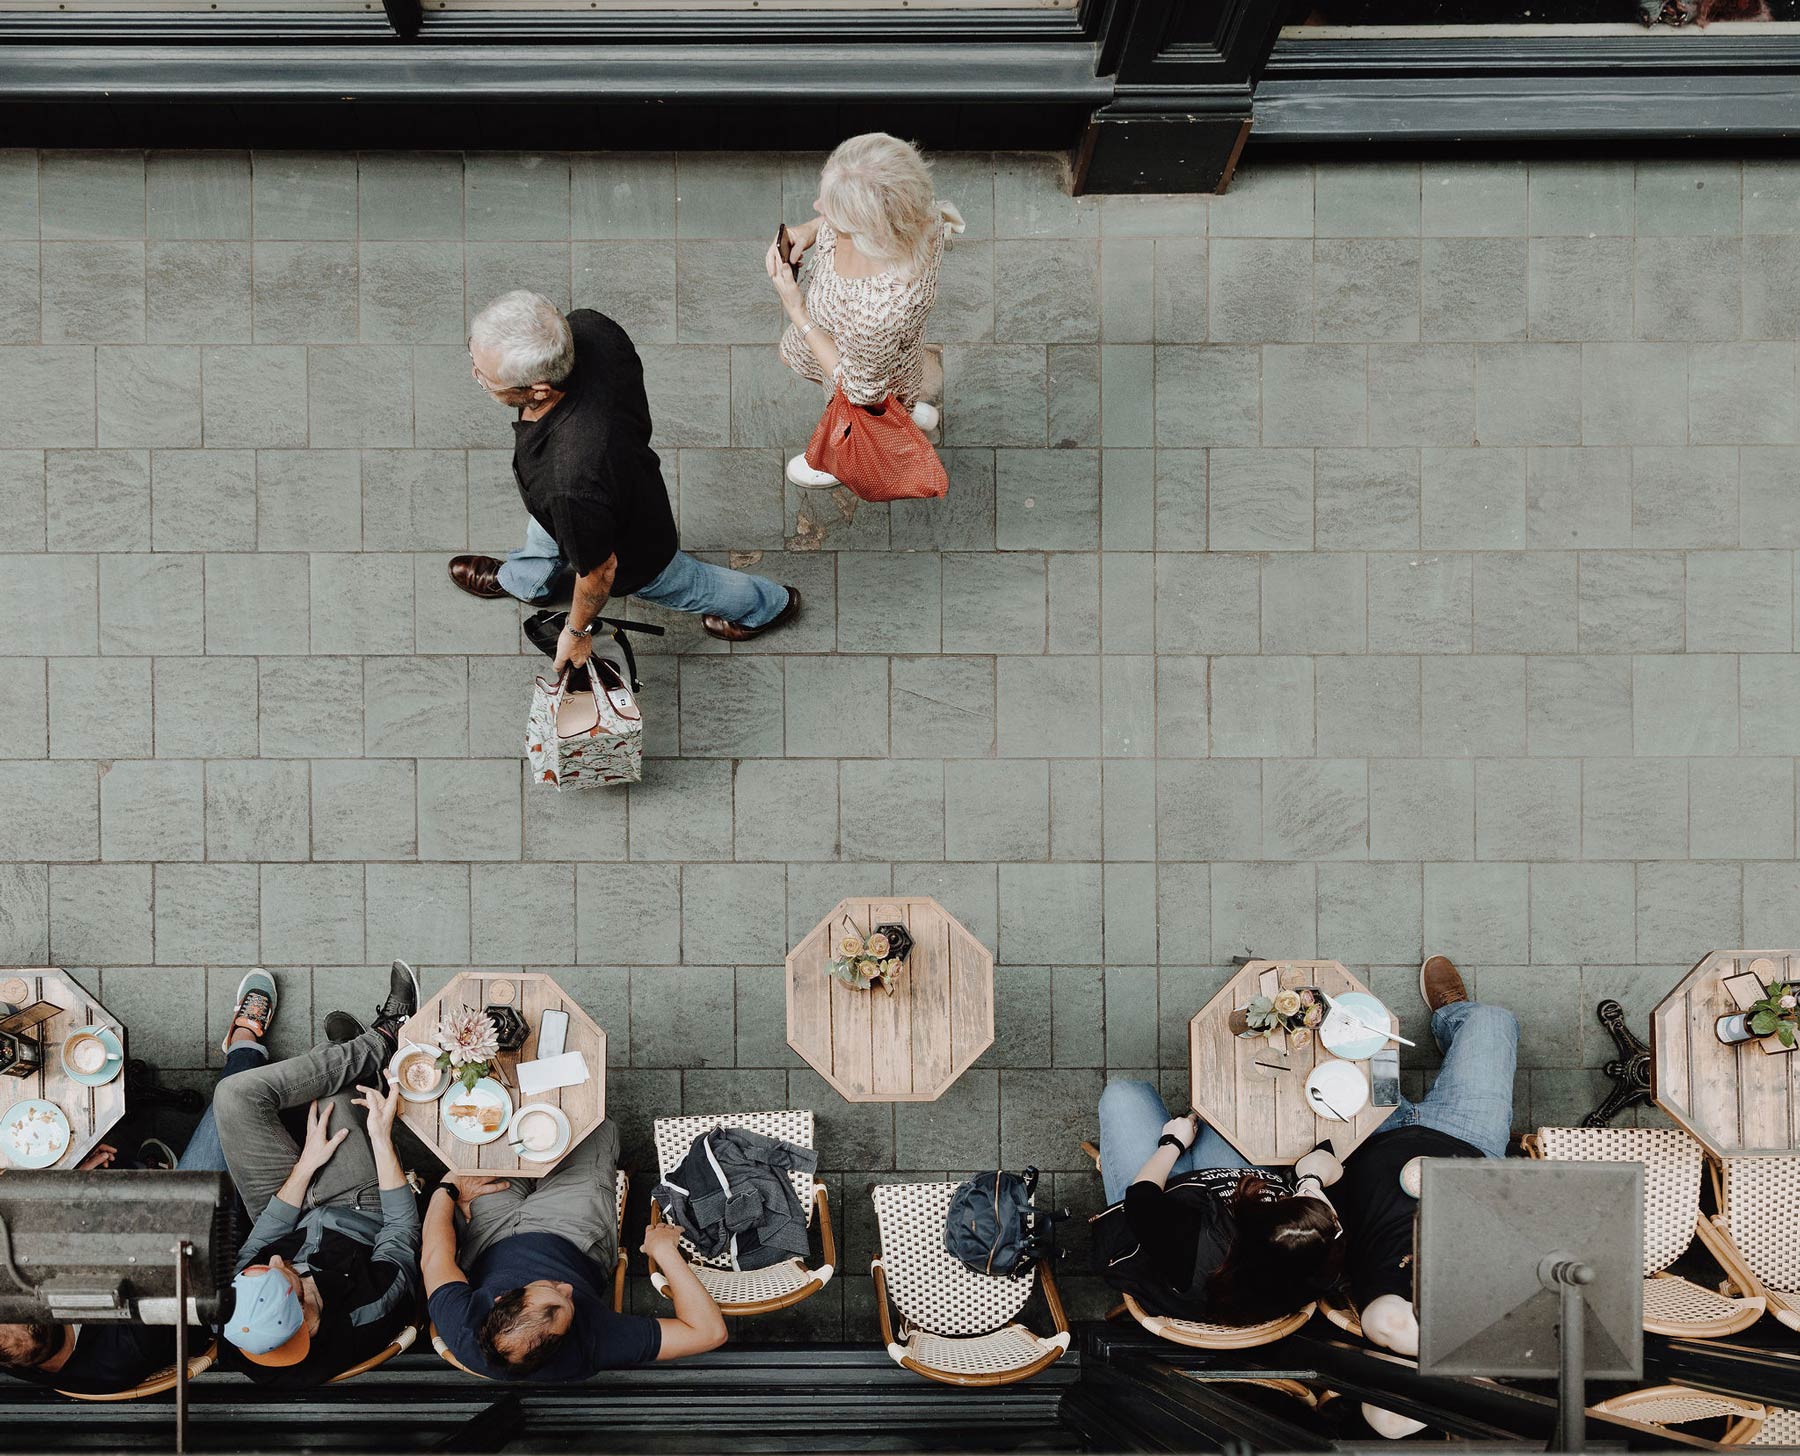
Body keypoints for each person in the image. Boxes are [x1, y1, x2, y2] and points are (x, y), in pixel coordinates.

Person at [447, 292, 801, 648]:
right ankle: (526, 581)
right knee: (546, 526)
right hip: (612, 481)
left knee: (688, 583)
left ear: (539, 391)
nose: (475, 374)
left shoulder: (567, 479)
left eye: (484, 377)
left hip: (633, 545)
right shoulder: (589, 328)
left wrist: (575, 632)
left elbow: (599, 575)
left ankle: (769, 605)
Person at [0, 970, 283, 1394]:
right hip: (194, 1248)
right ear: (58, 1311)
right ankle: (244, 1044)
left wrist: (72, 1183)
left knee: (73, 1153)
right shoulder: (127, 1343)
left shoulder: (15, 1338)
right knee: (230, 1110)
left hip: (111, 1241)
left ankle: (144, 1157)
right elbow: (173, 1248)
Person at [1328, 954, 1519, 1440]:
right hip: (1469, 1136)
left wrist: (1448, 1368)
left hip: (1373, 1136)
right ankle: (1450, 1018)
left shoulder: (1390, 1318)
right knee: (1492, 1022)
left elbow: (1390, 1424)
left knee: (1357, 1028)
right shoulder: (1497, 1313)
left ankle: (1376, 1045)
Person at [212, 962, 423, 1386]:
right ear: (304, 1308)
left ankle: (373, 1046)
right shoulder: (366, 1308)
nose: (273, 1260)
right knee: (340, 1098)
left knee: (234, 1096)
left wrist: (305, 1165)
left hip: (285, 1206)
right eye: (280, 1272)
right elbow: (402, 1227)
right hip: (361, 1206)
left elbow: (266, 1237)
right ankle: (367, 1046)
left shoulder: (241, 1311)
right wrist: (381, 1138)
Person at [423, 1120, 725, 1381]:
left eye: (550, 1287)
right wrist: (665, 1251)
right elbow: (710, 1333)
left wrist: (447, 1188)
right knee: (591, 1129)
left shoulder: (463, 1328)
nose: (567, 1287)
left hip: (489, 1233)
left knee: (488, 1133)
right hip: (572, 1233)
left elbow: (434, 1256)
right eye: (569, 1303)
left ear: (500, 1299)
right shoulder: (588, 1345)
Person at [769, 131, 964, 489]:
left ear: (866, 228)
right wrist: (813, 230)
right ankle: (904, 414)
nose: (816, 207)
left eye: (829, 207)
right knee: (895, 394)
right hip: (891, 360)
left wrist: (797, 311)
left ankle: (840, 459)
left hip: (853, 358)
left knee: (854, 406)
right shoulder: (916, 213)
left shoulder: (881, 310)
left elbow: (858, 389)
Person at [1090, 1081, 1344, 1325]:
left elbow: (1142, 1200)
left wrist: (1173, 1143)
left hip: (1156, 1204)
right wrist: (1311, 1182)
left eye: (1289, 1201)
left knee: (1123, 1094)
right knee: (1226, 1098)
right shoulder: (1320, 1252)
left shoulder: (1197, 1250)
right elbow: (1328, 1160)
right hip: (1213, 1193)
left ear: (1256, 1217)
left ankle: (1178, 1132)